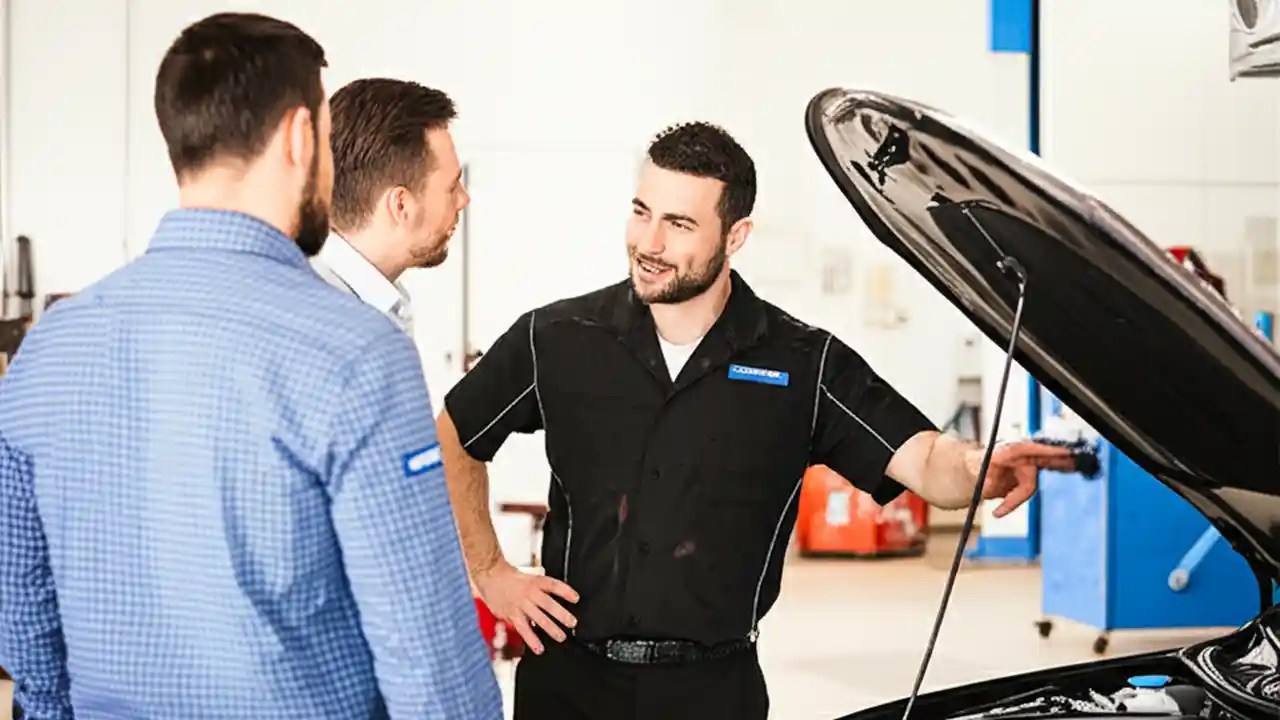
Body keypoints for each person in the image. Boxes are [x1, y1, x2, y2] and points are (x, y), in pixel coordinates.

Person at [437, 121, 1077, 718]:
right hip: (567, 684)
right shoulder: (556, 338)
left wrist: (977, 466)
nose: (649, 243)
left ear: (735, 236)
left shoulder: (803, 362)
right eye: (641, 213)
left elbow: (925, 461)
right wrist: (491, 573)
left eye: (679, 224)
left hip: (714, 691)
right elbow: (455, 433)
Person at [0, 12, 501, 720]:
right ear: (302, 138)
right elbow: (427, 654)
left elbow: (24, 610)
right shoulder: (357, 352)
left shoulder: (49, 344)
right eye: (329, 142)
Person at [311, 77, 469, 334]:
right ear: (401, 206)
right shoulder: (330, 326)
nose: (464, 199)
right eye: (452, 187)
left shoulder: (375, 302)